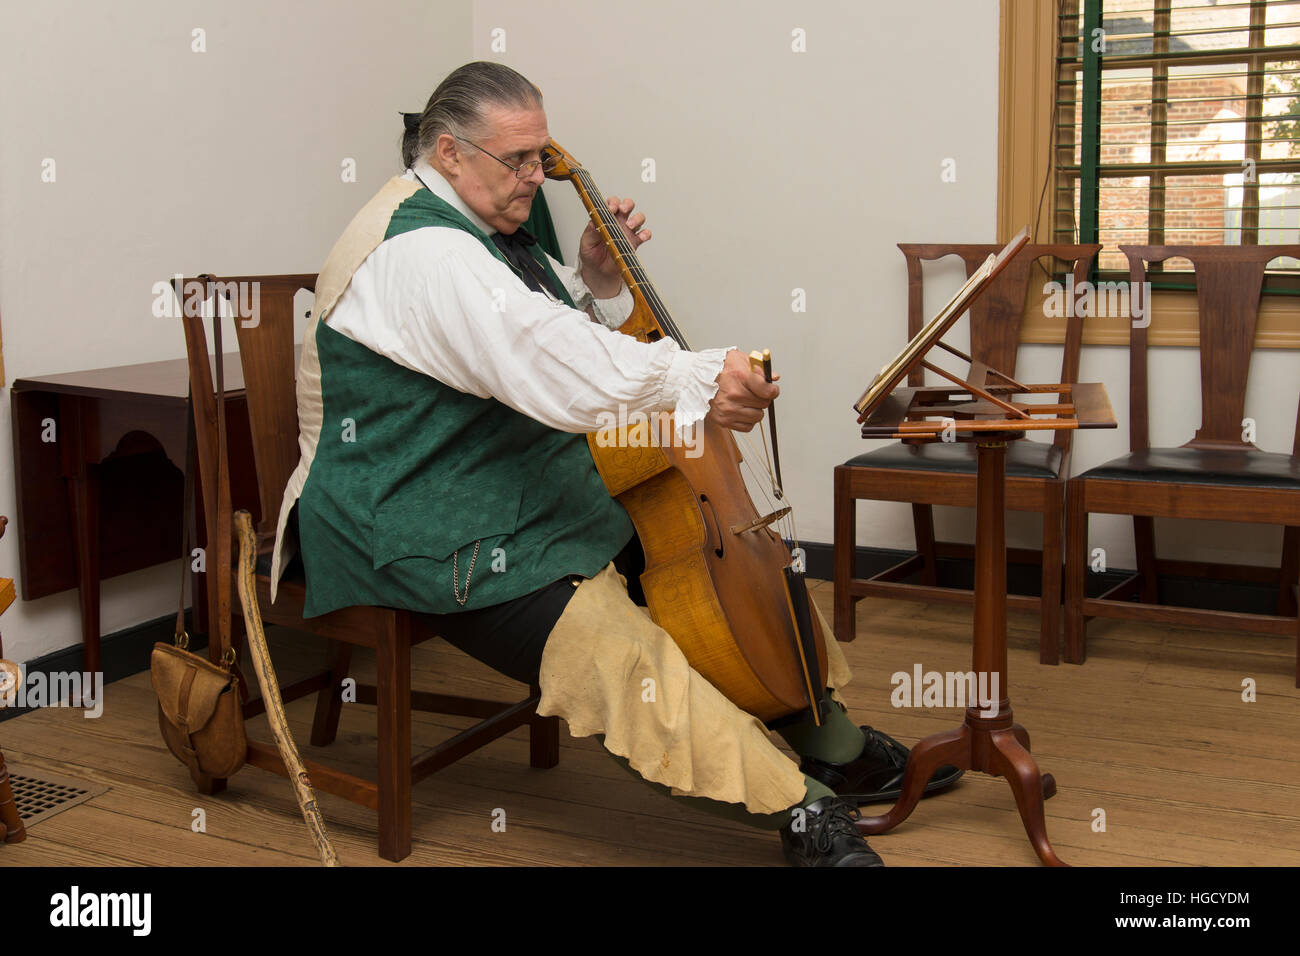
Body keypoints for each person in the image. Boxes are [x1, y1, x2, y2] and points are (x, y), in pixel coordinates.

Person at [270, 60, 960, 867]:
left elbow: (539, 324)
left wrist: (594, 280)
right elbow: (545, 360)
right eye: (518, 160)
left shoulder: (473, 225)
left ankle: (828, 737)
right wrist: (698, 375)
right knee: (617, 648)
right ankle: (799, 807)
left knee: (718, 573)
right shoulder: (421, 253)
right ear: (450, 151)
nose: (538, 176)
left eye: (540, 156)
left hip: (517, 488)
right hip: (416, 522)